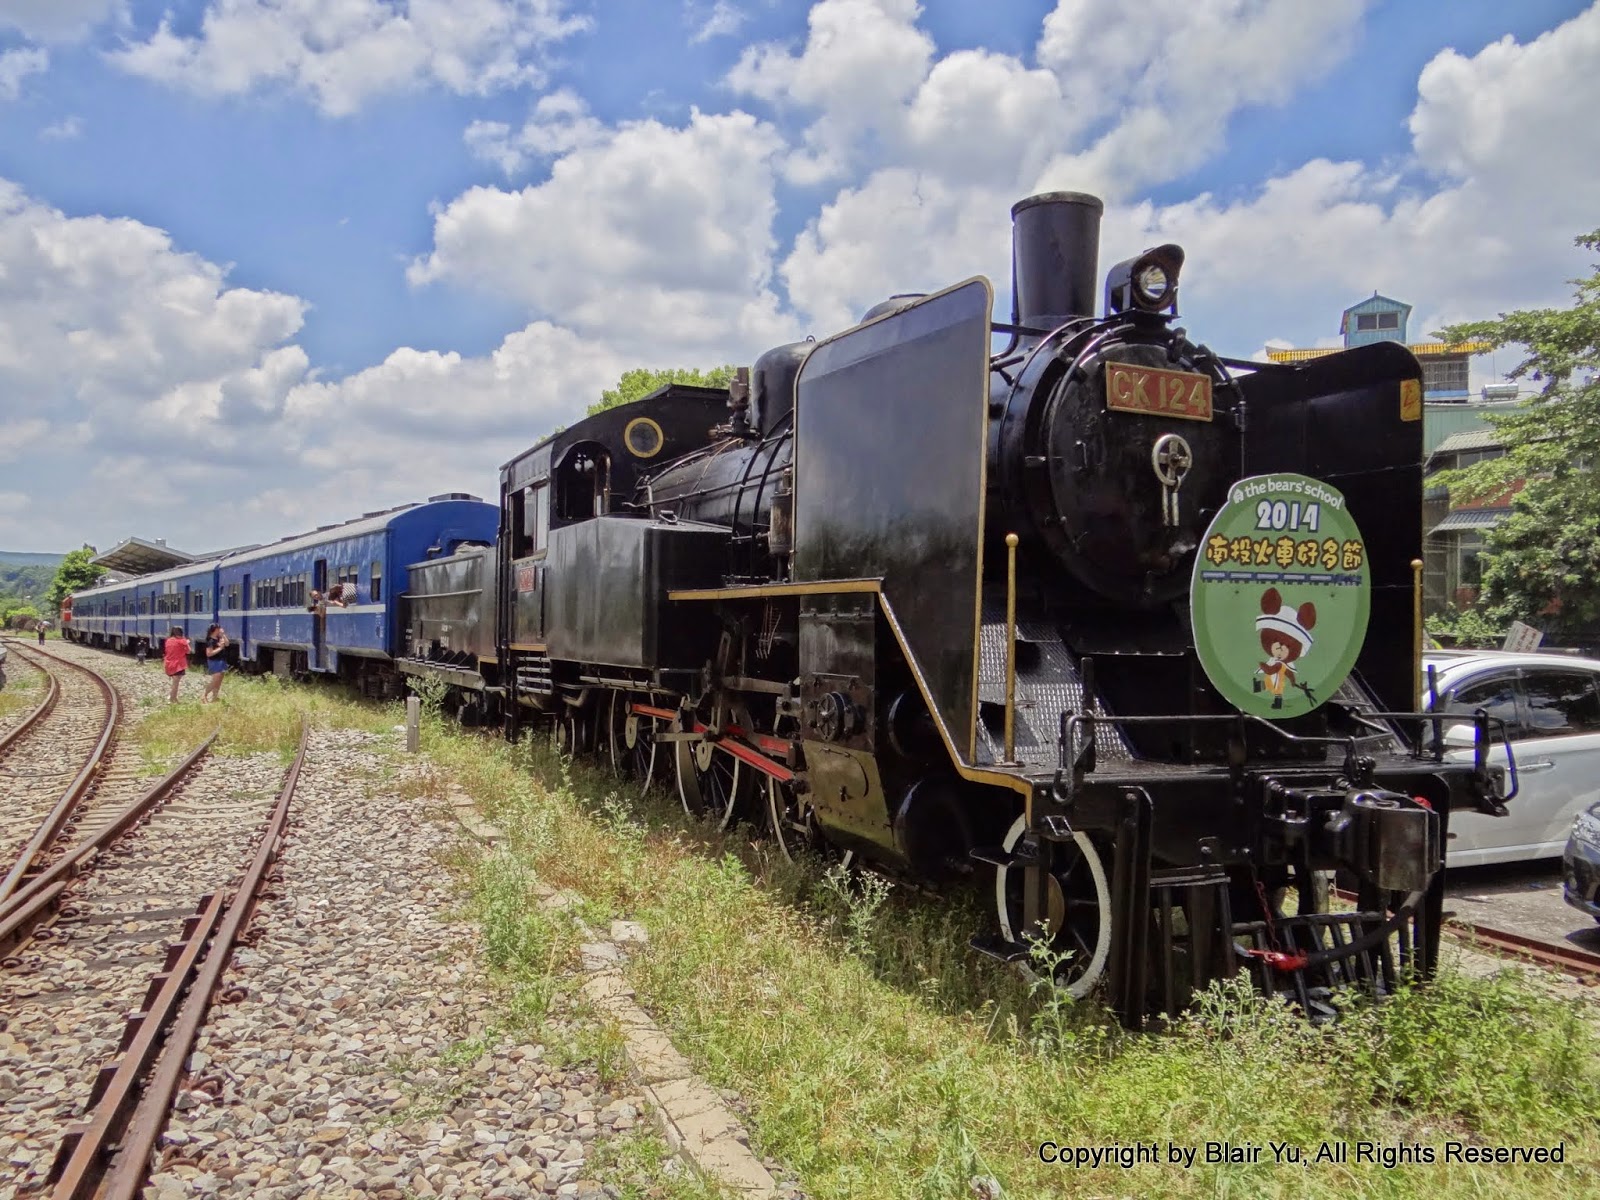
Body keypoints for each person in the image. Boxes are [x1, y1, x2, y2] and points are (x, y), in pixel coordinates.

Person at [201, 624, 229, 703]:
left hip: (222, 660)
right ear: (216, 629)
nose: (220, 629)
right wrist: (220, 648)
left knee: (219, 680)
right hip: (214, 661)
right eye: (219, 628)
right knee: (215, 680)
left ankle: (215, 697)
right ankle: (204, 695)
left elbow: (227, 644)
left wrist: (223, 635)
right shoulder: (210, 641)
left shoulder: (219, 638)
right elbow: (209, 653)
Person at [163, 625, 191, 703]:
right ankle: (173, 698)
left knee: (175, 681)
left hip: (169, 663)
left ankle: (173, 697)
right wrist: (187, 642)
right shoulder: (182, 641)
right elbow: (188, 651)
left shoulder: (168, 640)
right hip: (178, 664)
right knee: (176, 682)